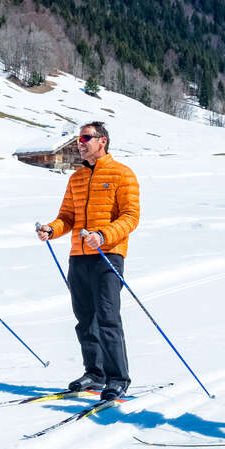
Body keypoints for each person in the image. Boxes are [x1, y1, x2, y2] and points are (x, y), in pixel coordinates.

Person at [36, 122, 140, 401]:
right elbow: (67, 217)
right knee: (85, 319)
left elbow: (130, 217)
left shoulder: (122, 174)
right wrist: (51, 229)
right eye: (78, 139)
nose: (80, 143)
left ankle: (118, 378)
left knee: (107, 318)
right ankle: (95, 372)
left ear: (102, 141)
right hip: (78, 257)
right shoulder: (77, 178)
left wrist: (103, 235)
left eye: (85, 138)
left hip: (108, 256)